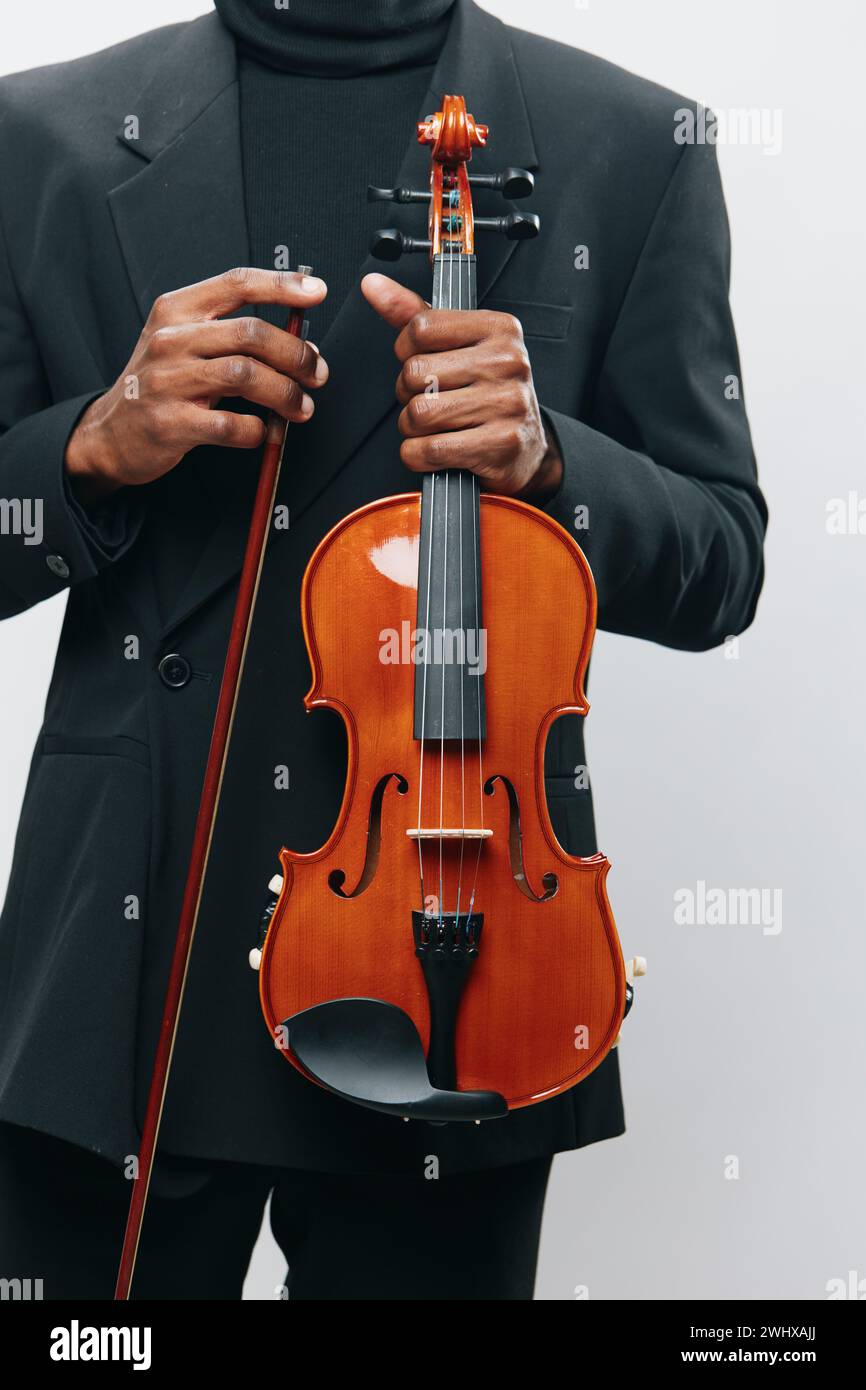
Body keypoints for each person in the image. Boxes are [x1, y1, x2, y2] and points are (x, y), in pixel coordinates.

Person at [0, 0, 766, 1299]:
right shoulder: (37, 135)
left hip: (461, 936)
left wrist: (552, 458)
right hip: (121, 949)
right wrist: (88, 447)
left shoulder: (634, 141)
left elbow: (721, 562)